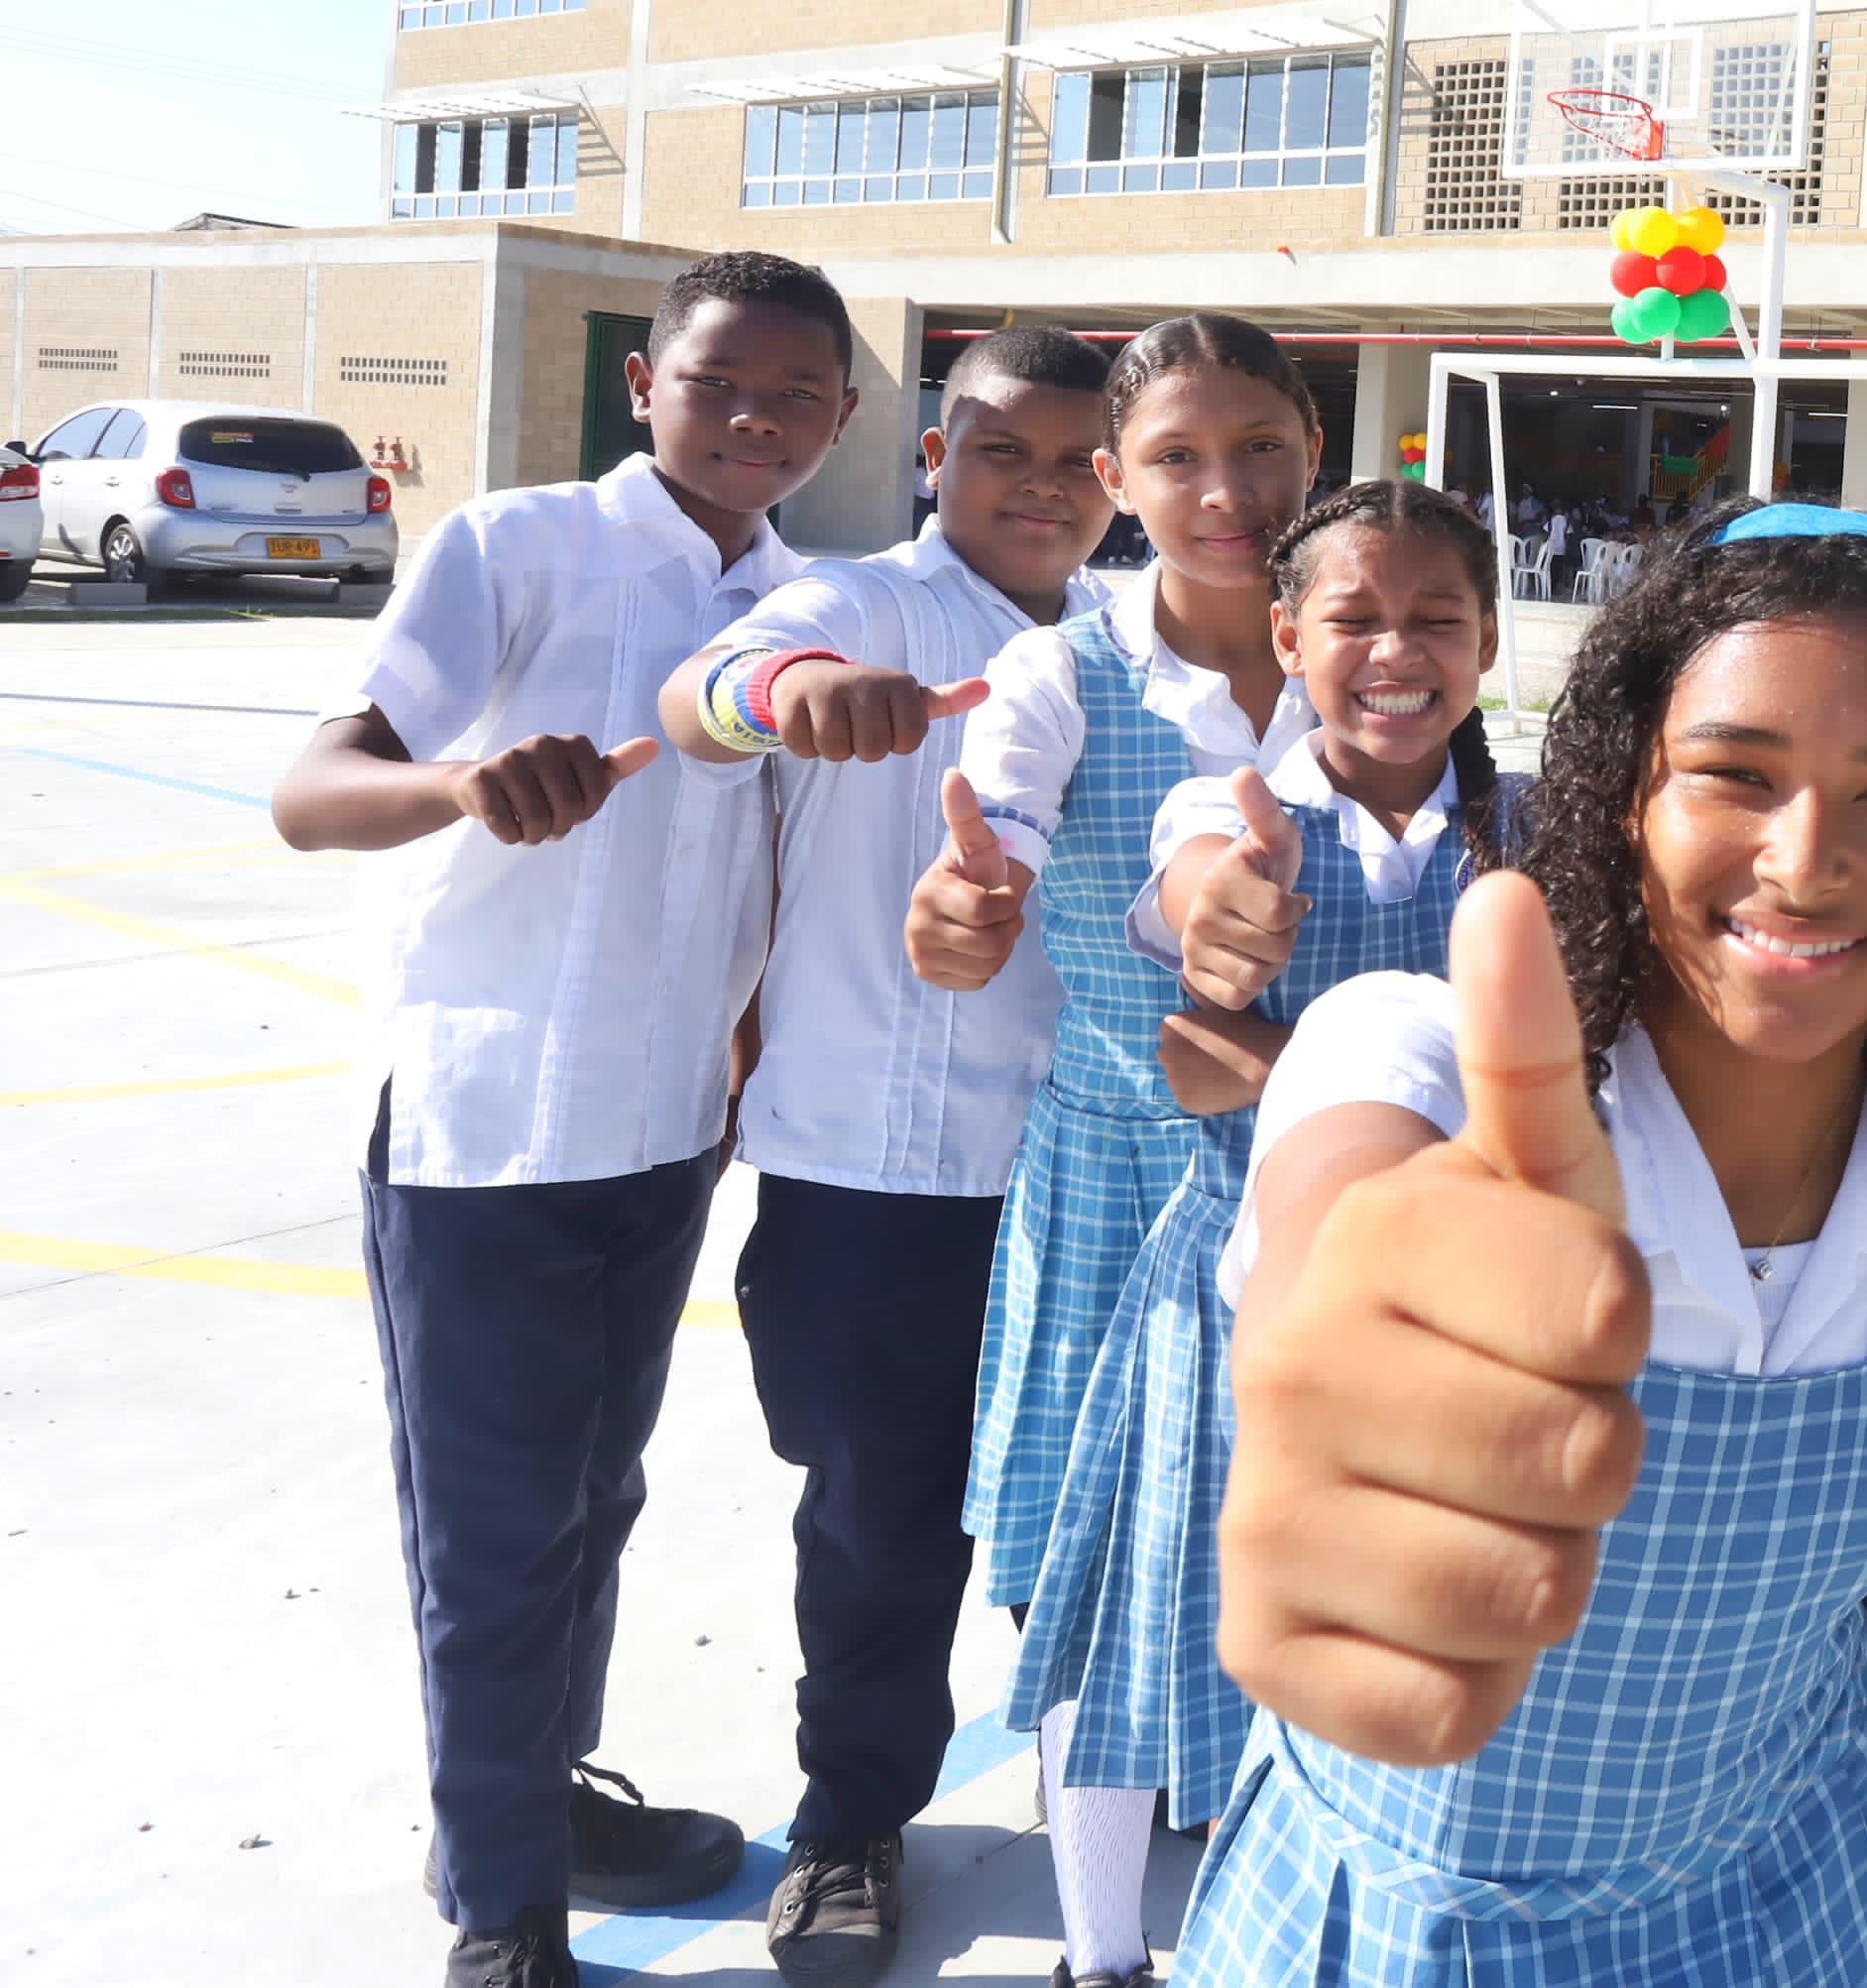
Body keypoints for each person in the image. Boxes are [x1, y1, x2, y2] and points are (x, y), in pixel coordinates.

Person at [1187, 503, 1867, 1985]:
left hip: (1823, 1888)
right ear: (1617, 797)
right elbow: (1343, 1237)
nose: (1805, 859)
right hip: (1423, 1931)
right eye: (1734, 774)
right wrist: (1358, 1373)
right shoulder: (1430, 1064)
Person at [271, 252, 861, 1988]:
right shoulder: (517, 545)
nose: (755, 417)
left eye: (796, 393)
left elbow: (761, 862)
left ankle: (550, 1792)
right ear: (643, 387)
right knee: (490, 1519)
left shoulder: (802, 601)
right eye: (717, 381)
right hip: (488, 1127)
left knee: (595, 1493)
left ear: (838, 415)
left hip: (666, 1127)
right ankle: (502, 1895)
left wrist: (755, 1063)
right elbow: (317, 784)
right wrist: (460, 782)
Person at [644, 322, 1118, 1985]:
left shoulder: (1140, 648)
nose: (1042, 488)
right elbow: (707, 696)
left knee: (1119, 1510)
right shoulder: (864, 608)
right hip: (873, 1178)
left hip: (1098, 1173)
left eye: (1078, 459)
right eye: (1004, 451)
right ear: (936, 455)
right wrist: (786, 694)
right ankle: (851, 1820)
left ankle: (1147, 1787)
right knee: (878, 1522)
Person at [1002, 483, 1514, 1981]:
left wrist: (1296, 1062)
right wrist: (1225, 916)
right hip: (1235, 1299)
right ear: (1287, 636)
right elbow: (1185, 1033)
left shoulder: (1540, 833)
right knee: (1139, 1621)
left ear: (1487, 642)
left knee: (1398, 1646)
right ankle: (1101, 1954)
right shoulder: (1226, 810)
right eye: (1353, 616)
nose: (1394, 650)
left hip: (1450, 1322)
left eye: (1437, 617)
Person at [907, 313, 1322, 1988]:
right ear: (1114, 478)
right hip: (1123, 1184)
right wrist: (965, 899)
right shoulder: (1058, 670)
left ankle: (1267, 1867)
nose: (1227, 490)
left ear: (1316, 443)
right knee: (1109, 1561)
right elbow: (995, 821)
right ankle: (1100, 1947)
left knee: (1305, 1539)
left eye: (1264, 448)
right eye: (1176, 455)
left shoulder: (1369, 640)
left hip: (1327, 1182)